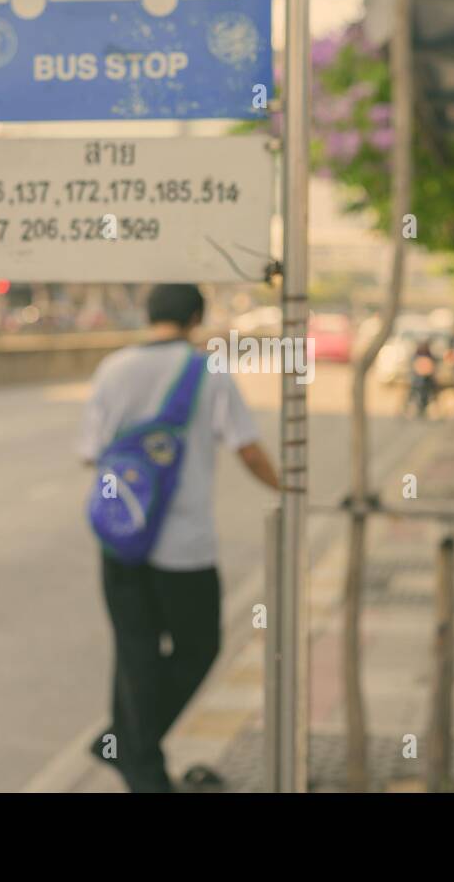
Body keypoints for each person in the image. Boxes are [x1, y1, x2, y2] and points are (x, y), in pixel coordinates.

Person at [78, 283, 280, 792]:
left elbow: (91, 451)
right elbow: (248, 450)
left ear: (149, 314)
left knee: (134, 652)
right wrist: (291, 487)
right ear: (196, 316)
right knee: (199, 647)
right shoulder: (207, 371)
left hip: (121, 539)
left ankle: (130, 747)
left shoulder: (113, 368)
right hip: (184, 547)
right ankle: (134, 750)